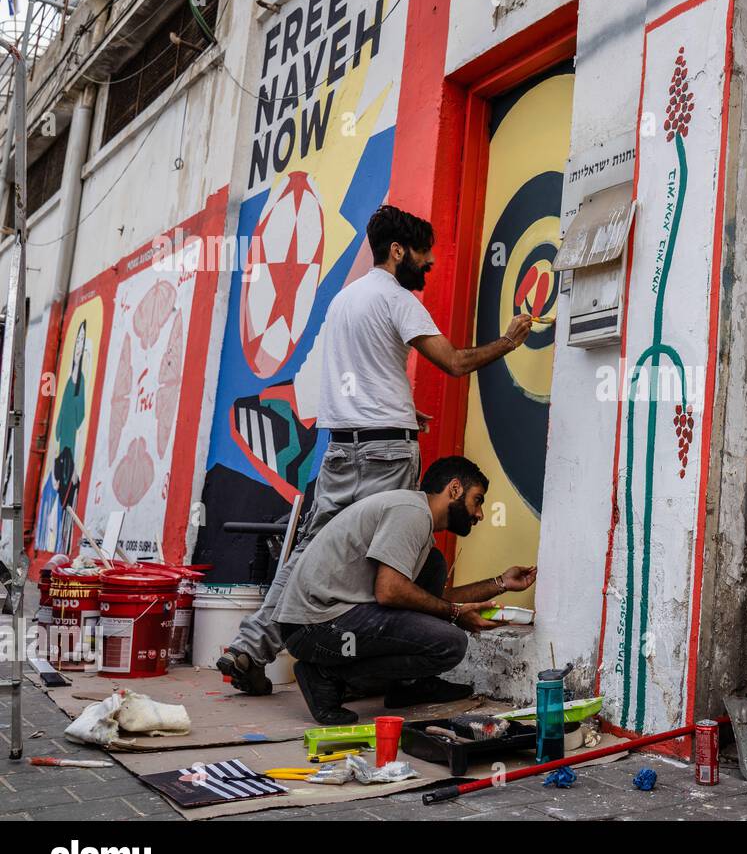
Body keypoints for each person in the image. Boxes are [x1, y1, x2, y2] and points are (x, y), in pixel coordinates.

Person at [218, 205, 532, 695]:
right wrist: (509, 342)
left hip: (342, 449)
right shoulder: (397, 298)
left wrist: (404, 412)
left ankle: (249, 648)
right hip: (387, 454)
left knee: (307, 556)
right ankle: (376, 673)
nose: (428, 265)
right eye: (424, 256)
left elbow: (358, 377)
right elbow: (453, 362)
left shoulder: (343, 300)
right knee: (392, 563)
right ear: (398, 251)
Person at [275, 455, 537, 725]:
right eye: (478, 500)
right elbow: (389, 591)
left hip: (327, 623)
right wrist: (456, 613)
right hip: (314, 629)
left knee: (434, 565)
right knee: (450, 644)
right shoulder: (411, 512)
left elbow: (430, 600)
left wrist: (501, 583)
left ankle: (408, 684)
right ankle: (326, 674)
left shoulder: (417, 517)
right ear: (455, 489)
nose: (480, 514)